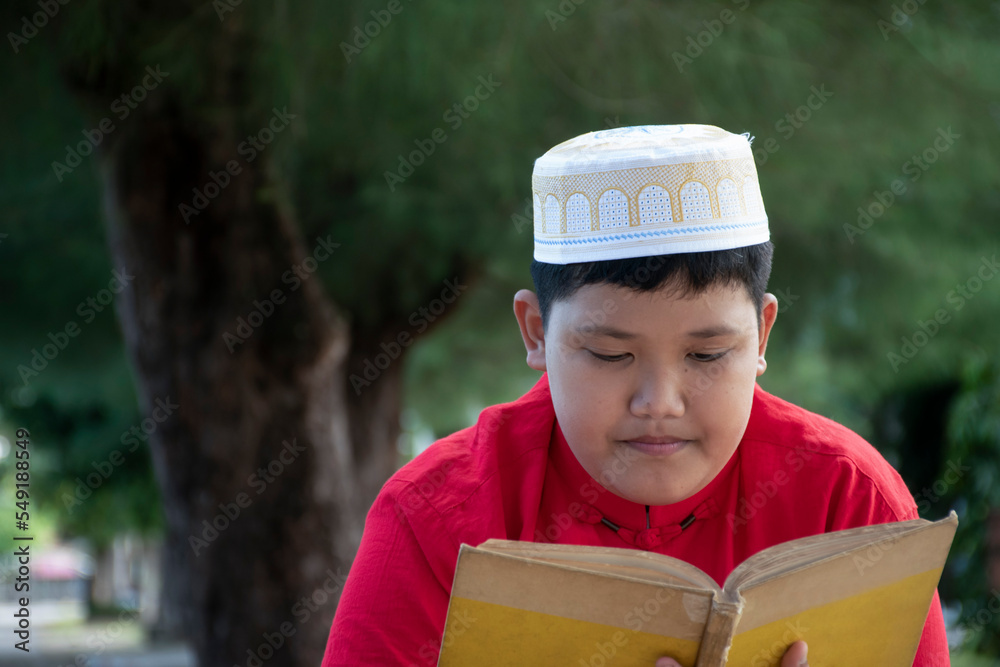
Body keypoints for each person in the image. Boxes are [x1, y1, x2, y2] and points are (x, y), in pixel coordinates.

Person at [321, 125, 949, 666]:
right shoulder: (437, 517)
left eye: (706, 355)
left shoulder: (848, 500)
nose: (659, 402)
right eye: (609, 355)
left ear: (761, 333)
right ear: (536, 332)